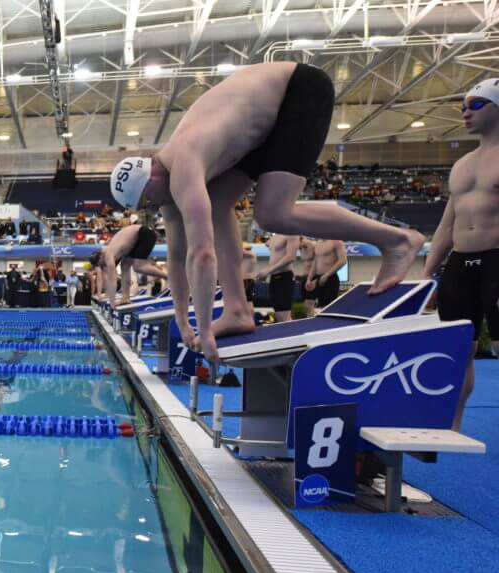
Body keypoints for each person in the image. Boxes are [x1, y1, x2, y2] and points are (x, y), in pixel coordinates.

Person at [110, 61, 424, 361]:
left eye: (146, 201)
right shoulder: (166, 180)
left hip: (297, 91)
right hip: (260, 122)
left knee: (274, 214)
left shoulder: (185, 164)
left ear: (150, 178)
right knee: (219, 205)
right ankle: (237, 310)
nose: (151, 207)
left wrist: (204, 328)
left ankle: (397, 239)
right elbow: (177, 257)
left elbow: (202, 254)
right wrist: (182, 318)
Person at [422, 78, 499, 429]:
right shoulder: (462, 164)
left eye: (475, 104)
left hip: (496, 258)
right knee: (458, 347)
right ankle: (453, 423)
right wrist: (426, 275)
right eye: (463, 106)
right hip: (460, 262)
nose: (465, 112)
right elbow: (445, 227)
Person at [96, 224, 169, 304]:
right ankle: (125, 298)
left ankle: (166, 276)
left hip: (145, 233)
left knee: (138, 267)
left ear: (101, 257)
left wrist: (112, 302)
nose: (104, 265)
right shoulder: (113, 250)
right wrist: (107, 295)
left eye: (102, 264)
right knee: (124, 265)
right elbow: (109, 278)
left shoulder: (108, 255)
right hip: (137, 238)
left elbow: (112, 281)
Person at [255, 234, 300, 322]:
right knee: (279, 316)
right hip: (274, 278)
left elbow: (290, 257)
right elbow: (275, 255)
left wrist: (268, 270)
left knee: (284, 317)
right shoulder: (275, 236)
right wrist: (266, 271)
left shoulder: (291, 233)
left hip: (284, 277)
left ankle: (291, 334)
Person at [304, 239, 346, 311]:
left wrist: (326, 275)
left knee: (328, 308)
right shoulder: (318, 244)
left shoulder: (336, 242)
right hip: (317, 278)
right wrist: (309, 278)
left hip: (330, 278)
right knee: (310, 306)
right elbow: (315, 262)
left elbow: (343, 261)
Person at [299, 238, 318, 316]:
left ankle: (314, 324)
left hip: (313, 276)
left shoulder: (314, 245)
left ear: (300, 239)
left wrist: (311, 279)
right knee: (305, 306)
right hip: (304, 277)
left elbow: (318, 262)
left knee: (309, 304)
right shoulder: (301, 248)